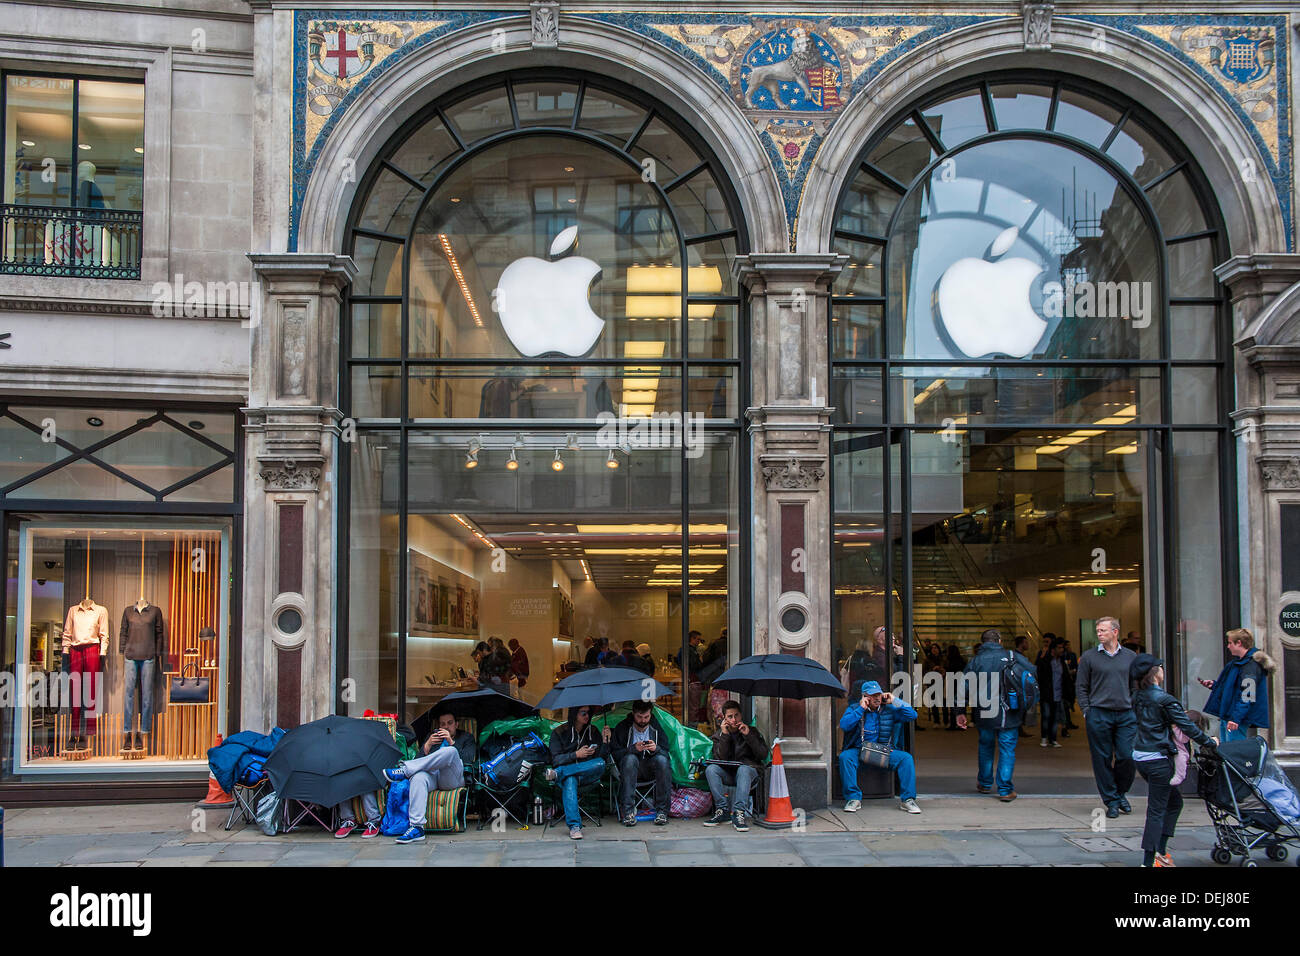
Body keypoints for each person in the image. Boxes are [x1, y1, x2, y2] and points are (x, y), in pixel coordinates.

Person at [1130, 654, 1218, 867]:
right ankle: (1150, 861)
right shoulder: (1164, 699)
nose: (1163, 670)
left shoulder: (1136, 696)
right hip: (1158, 759)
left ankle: (1160, 851)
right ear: (1154, 672)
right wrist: (1210, 741)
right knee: (1157, 810)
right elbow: (1187, 727)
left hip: (1141, 756)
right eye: (1160, 667)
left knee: (1174, 803)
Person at [957, 629, 1034, 801]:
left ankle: (984, 783)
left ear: (983, 643)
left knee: (985, 746)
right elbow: (1031, 673)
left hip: (984, 712)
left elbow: (964, 687)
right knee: (1007, 749)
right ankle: (1005, 789)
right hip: (1010, 711)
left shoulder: (975, 661)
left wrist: (960, 712)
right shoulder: (1012, 656)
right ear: (999, 641)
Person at [383, 711, 477, 844]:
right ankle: (417, 827)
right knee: (418, 777)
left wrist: (451, 741)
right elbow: (419, 762)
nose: (446, 727)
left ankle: (405, 770)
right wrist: (426, 746)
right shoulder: (432, 737)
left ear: (456, 724)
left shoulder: (466, 737)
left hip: (452, 779)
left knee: (450, 751)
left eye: (449, 723)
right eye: (442, 724)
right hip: (433, 776)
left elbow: (468, 760)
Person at [1077, 616, 1138, 819]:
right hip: (1099, 712)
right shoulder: (1089, 657)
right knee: (1102, 758)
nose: (1099, 634)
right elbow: (1081, 686)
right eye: (1098, 631)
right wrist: (1087, 709)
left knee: (1126, 755)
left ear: (1115, 631)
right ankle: (1111, 799)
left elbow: (1135, 685)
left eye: (1103, 630)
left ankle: (1120, 793)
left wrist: (1134, 707)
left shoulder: (1130, 656)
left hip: (1125, 714)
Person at [838, 680, 921, 814]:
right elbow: (844, 725)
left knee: (906, 759)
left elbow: (912, 715)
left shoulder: (889, 709)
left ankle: (908, 800)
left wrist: (895, 700)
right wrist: (861, 709)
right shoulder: (854, 708)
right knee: (845, 757)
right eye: (873, 695)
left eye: (879, 694)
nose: (877, 698)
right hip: (861, 751)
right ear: (865, 697)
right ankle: (853, 799)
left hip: (883, 751)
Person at [545, 705, 610, 839]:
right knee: (570, 780)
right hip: (571, 778)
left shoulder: (593, 731)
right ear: (574, 714)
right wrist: (576, 754)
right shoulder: (559, 732)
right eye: (583, 713)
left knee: (600, 763)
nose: (587, 716)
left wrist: (605, 742)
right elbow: (555, 760)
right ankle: (574, 827)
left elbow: (602, 757)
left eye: (588, 713)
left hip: (589, 775)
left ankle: (560, 773)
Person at [1200, 627, 1275, 742]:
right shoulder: (1239, 663)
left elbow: (1247, 695)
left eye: (1230, 643)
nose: (1228, 646)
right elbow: (1234, 688)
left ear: (1239, 643)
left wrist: (1236, 718)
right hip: (1230, 715)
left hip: (1235, 718)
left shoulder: (1249, 666)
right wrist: (1214, 685)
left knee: (1234, 753)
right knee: (1229, 751)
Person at [703, 699, 768, 831]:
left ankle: (739, 812)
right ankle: (722, 810)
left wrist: (748, 735)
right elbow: (721, 758)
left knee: (743, 769)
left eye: (736, 715)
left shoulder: (752, 731)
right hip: (729, 774)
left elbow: (762, 754)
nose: (734, 719)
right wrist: (725, 736)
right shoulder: (719, 735)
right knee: (711, 769)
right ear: (724, 718)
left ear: (741, 715)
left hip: (749, 773)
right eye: (730, 716)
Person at [610, 700, 673, 826]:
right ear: (633, 714)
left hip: (651, 769)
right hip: (629, 770)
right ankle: (628, 812)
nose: (643, 720)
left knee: (662, 760)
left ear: (650, 715)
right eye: (639, 717)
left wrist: (656, 749)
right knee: (630, 759)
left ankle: (662, 811)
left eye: (646, 717)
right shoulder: (623, 727)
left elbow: (666, 754)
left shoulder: (656, 728)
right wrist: (632, 749)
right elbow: (615, 754)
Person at [1037, 638, 1072, 747]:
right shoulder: (1046, 661)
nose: (1062, 650)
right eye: (1059, 648)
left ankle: (1053, 739)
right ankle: (1044, 737)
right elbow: (1040, 674)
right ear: (1053, 649)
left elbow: (1065, 677)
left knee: (1055, 717)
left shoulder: (1060, 661)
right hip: (1047, 694)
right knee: (1046, 716)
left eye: (1062, 647)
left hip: (1058, 694)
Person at [1013, 636, 1034, 738]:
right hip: (1019, 685)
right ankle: (1018, 728)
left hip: (1020, 684)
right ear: (1022, 643)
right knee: (1020, 707)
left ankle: (1018, 728)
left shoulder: (1017, 655)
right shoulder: (1018, 656)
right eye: (1026, 642)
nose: (1028, 644)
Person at [944, 643, 967, 730]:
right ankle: (962, 724)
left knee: (953, 705)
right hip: (960, 684)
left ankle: (953, 724)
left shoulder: (949, 661)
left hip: (952, 684)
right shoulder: (962, 660)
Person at [1059, 638, 1079, 729]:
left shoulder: (1072, 655)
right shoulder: (1061, 657)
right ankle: (1065, 723)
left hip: (1070, 679)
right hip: (1063, 683)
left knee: (1067, 702)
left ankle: (1067, 722)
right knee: (1064, 705)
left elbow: (1075, 665)